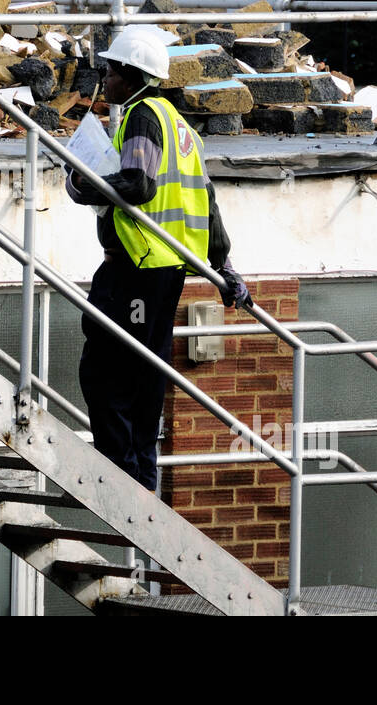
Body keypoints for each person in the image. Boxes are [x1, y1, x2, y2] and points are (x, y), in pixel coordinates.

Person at [65, 26, 252, 491]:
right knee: (144, 375)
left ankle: (119, 475)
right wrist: (223, 266)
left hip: (137, 266)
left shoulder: (144, 114)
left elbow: (138, 183)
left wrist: (81, 183)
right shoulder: (180, 126)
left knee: (106, 371)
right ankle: (141, 479)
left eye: (110, 71)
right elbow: (206, 203)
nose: (104, 79)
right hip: (164, 271)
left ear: (131, 76)